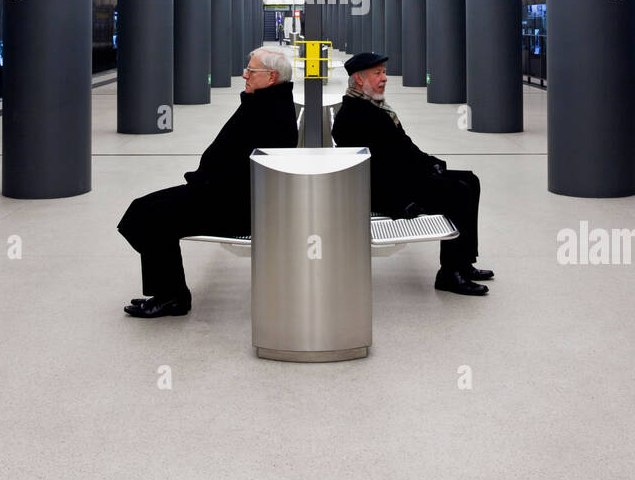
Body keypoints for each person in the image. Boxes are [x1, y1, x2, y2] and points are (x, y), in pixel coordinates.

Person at [118, 48, 298, 317]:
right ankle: (170, 293)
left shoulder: (269, 112)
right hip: (224, 193)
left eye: (251, 71)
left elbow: (239, 170)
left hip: (235, 205)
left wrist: (200, 185)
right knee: (144, 210)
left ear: (271, 77)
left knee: (149, 215)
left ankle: (172, 297)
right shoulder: (266, 103)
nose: (244, 74)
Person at [331, 52, 492, 297]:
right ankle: (449, 274)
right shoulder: (354, 117)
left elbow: (403, 148)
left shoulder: (375, 107)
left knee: (470, 179)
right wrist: (402, 200)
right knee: (458, 192)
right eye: (377, 74)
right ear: (359, 79)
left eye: (383, 72)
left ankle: (464, 262)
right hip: (389, 191)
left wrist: (431, 163)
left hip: (400, 178)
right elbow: (377, 169)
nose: (384, 78)